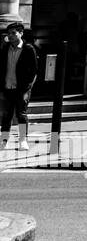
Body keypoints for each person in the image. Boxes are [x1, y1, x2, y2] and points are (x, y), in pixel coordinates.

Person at [1, 21, 38, 151]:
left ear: (21, 33)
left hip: (22, 89)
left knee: (21, 114)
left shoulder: (28, 49)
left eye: (13, 33)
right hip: (7, 87)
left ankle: (23, 141)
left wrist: (27, 88)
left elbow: (33, 71)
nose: (10, 36)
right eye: (8, 33)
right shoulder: (5, 48)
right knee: (6, 115)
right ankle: (3, 141)